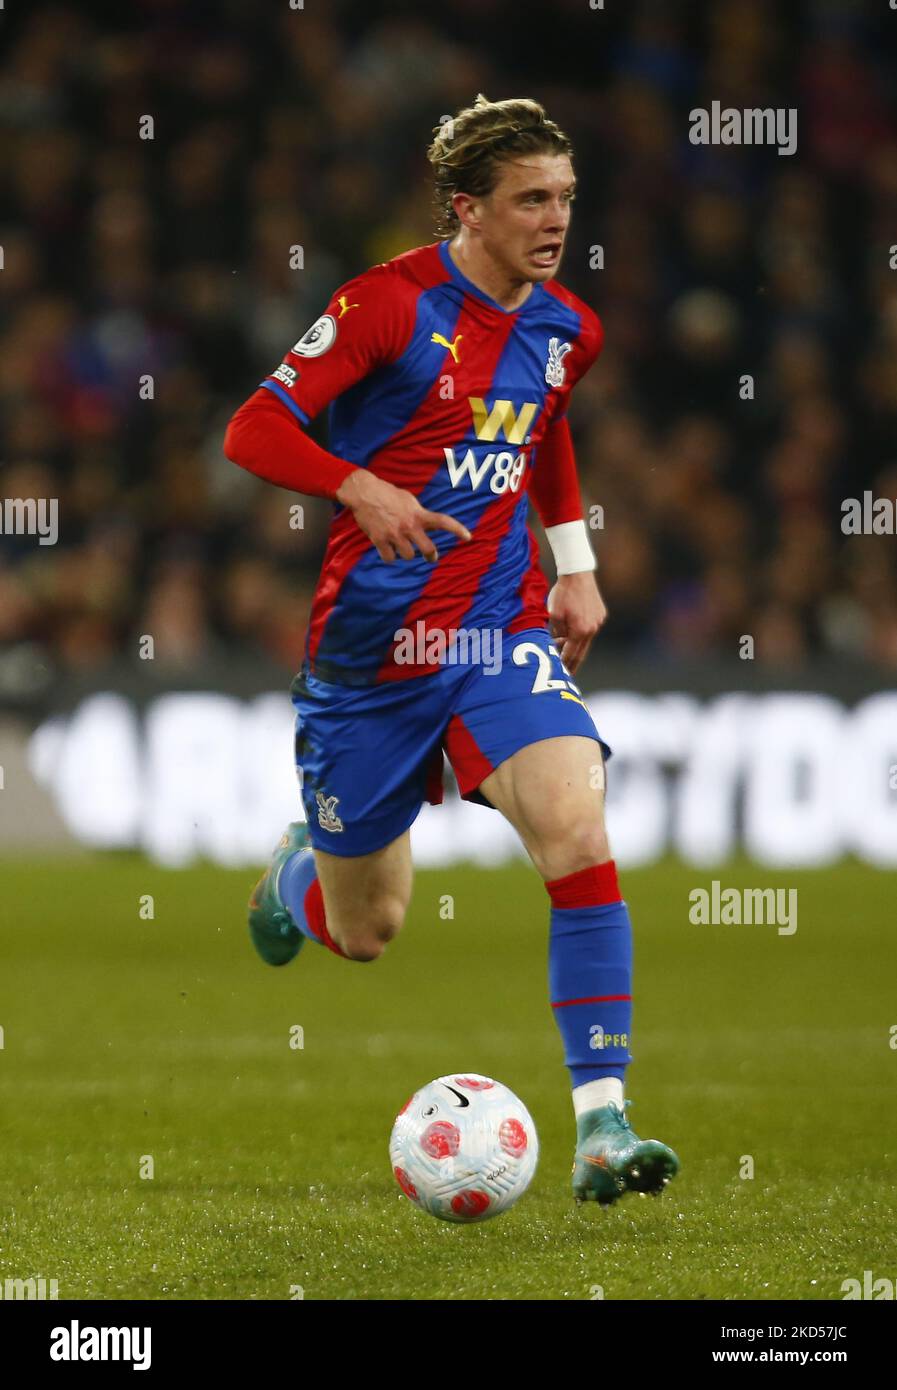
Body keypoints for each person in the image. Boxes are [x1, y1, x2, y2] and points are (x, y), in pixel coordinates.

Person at [223, 94, 679, 1206]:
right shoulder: (384, 305)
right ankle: (299, 873)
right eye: (531, 199)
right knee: (368, 928)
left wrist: (574, 561)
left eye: (566, 197)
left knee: (575, 821)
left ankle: (605, 1124)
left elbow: (547, 424)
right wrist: (357, 481)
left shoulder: (569, 326)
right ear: (467, 209)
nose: (555, 219)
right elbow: (254, 427)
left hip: (497, 630)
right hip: (373, 660)